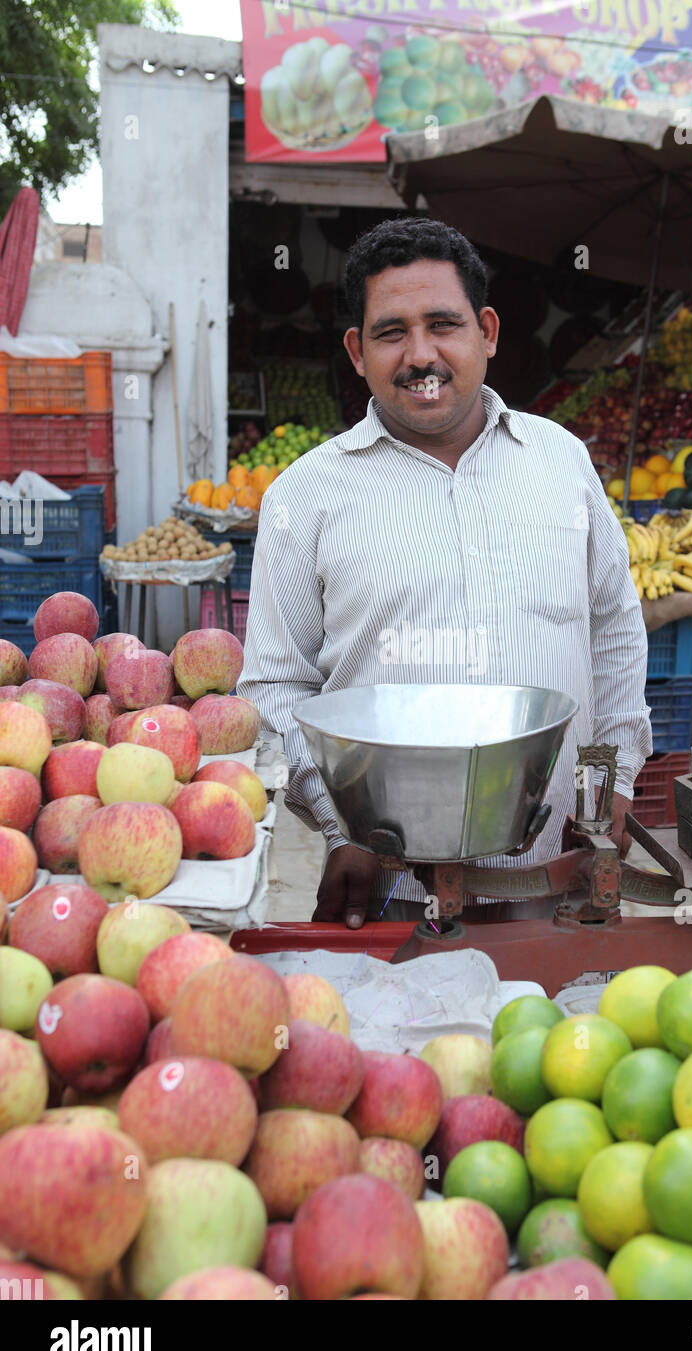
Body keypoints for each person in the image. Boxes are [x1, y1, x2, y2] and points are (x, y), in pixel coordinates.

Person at [237, 217, 652, 929]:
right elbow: (275, 688)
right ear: (356, 353)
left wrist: (602, 786)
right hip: (390, 895)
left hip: (565, 885)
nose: (420, 354)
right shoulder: (304, 498)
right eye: (391, 332)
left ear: (487, 332)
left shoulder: (561, 464)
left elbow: (612, 629)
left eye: (443, 324)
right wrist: (347, 828)